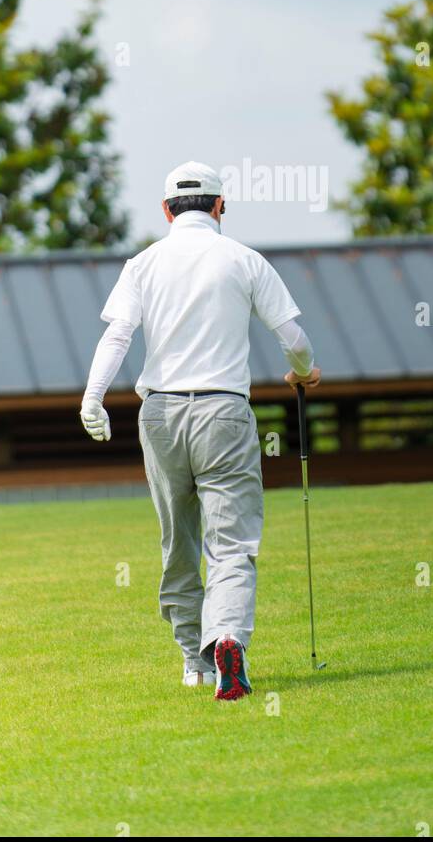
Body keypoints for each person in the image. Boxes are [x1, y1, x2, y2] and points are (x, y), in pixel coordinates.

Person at [80, 160, 321, 701]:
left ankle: (194, 661)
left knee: (179, 541)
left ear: (166, 211)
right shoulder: (244, 259)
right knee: (231, 542)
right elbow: (294, 337)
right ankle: (228, 638)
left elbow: (118, 336)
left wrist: (93, 398)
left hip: (160, 416)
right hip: (224, 413)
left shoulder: (142, 263)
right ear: (220, 207)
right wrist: (303, 373)